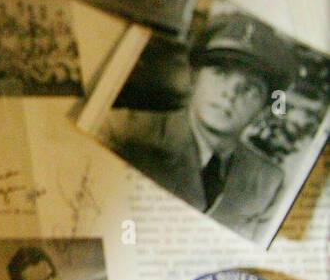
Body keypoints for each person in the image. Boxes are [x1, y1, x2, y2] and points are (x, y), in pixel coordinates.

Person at [100, 12, 294, 241]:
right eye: (221, 73)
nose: (230, 94)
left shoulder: (268, 183)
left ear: (262, 109)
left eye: (250, 88)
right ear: (194, 78)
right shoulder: (120, 131)